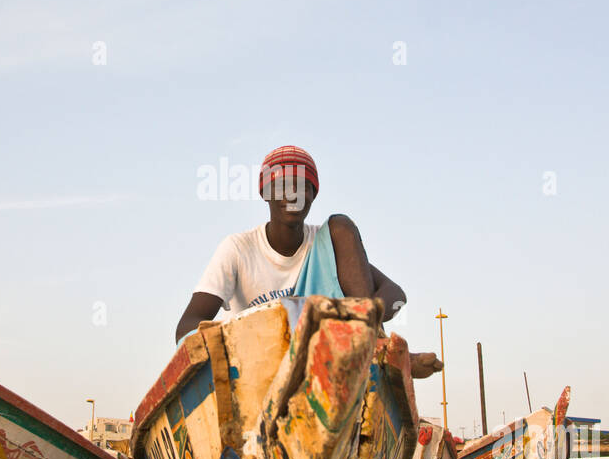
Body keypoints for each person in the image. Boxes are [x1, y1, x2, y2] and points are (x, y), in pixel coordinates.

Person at [174, 145, 443, 379]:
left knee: (341, 224)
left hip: (329, 354)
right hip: (256, 362)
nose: (292, 193)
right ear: (265, 194)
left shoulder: (328, 246)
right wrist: (245, 335)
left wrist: (362, 316)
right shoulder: (237, 249)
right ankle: (381, 355)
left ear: (313, 195)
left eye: (302, 185)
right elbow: (187, 326)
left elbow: (395, 294)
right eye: (280, 186)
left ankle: (374, 349)